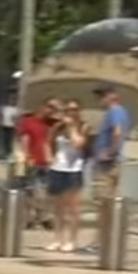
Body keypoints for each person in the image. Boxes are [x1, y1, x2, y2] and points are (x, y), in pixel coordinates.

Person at [43, 99, 89, 253]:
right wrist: (49, 157)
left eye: (74, 110)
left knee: (73, 208)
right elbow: (47, 142)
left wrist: (71, 127)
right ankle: (57, 239)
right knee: (58, 207)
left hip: (74, 170)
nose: (70, 113)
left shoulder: (83, 127)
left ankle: (72, 240)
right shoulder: (57, 127)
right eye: (67, 110)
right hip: (58, 168)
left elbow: (78, 144)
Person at [15, 96, 56, 230]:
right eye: (50, 107)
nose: (51, 111)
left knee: (43, 191)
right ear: (42, 107)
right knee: (31, 190)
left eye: (53, 109)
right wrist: (27, 156)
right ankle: (32, 217)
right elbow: (24, 141)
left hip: (46, 161)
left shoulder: (50, 124)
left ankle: (43, 216)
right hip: (33, 160)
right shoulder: (28, 122)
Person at [91, 84, 132, 201]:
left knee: (102, 198)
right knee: (111, 198)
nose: (100, 99)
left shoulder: (114, 111)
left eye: (102, 96)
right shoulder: (122, 112)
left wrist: (110, 152)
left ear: (112, 97)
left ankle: (105, 219)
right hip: (114, 161)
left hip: (107, 163)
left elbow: (117, 132)